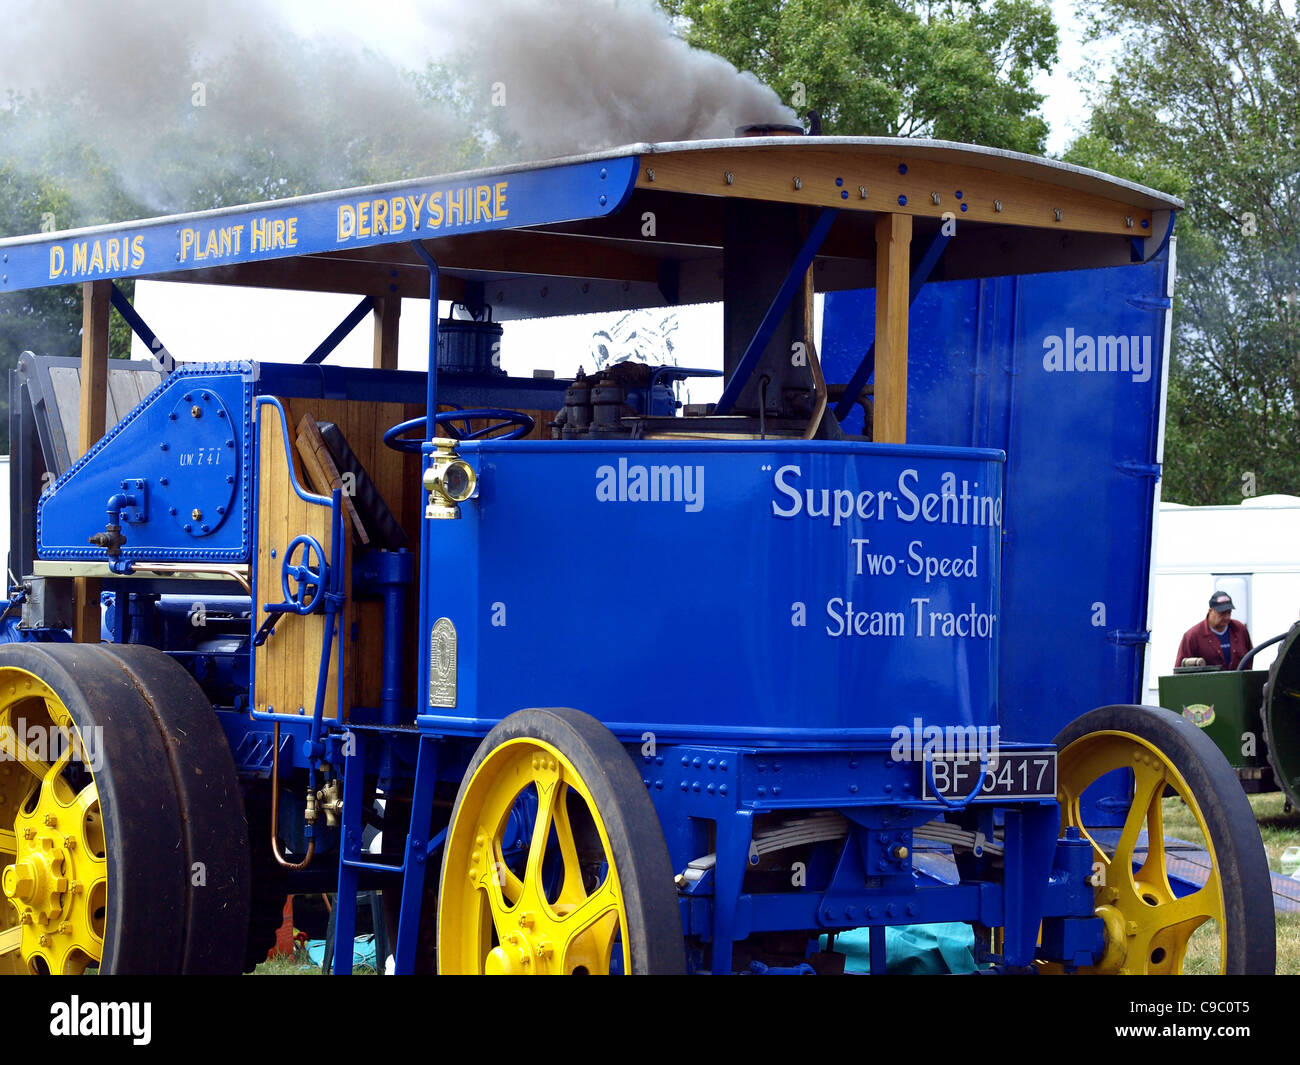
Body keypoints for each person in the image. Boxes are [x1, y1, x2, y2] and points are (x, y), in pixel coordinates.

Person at [1174, 592, 1253, 670]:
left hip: (1237, 682)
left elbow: (1250, 656)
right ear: (1210, 611)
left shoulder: (1240, 629)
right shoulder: (1192, 636)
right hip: (1206, 683)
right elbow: (1180, 670)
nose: (1227, 617)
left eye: (1229, 612)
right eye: (1222, 613)